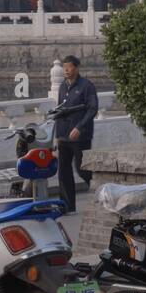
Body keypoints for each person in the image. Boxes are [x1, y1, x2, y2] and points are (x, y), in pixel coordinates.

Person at [55, 55, 98, 213]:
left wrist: (79, 127)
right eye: (64, 67)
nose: (66, 70)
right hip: (63, 135)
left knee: (82, 169)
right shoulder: (62, 86)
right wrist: (56, 133)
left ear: (76, 68)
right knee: (64, 170)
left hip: (81, 136)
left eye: (69, 67)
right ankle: (67, 206)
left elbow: (92, 109)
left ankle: (100, 195)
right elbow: (61, 110)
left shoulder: (86, 86)